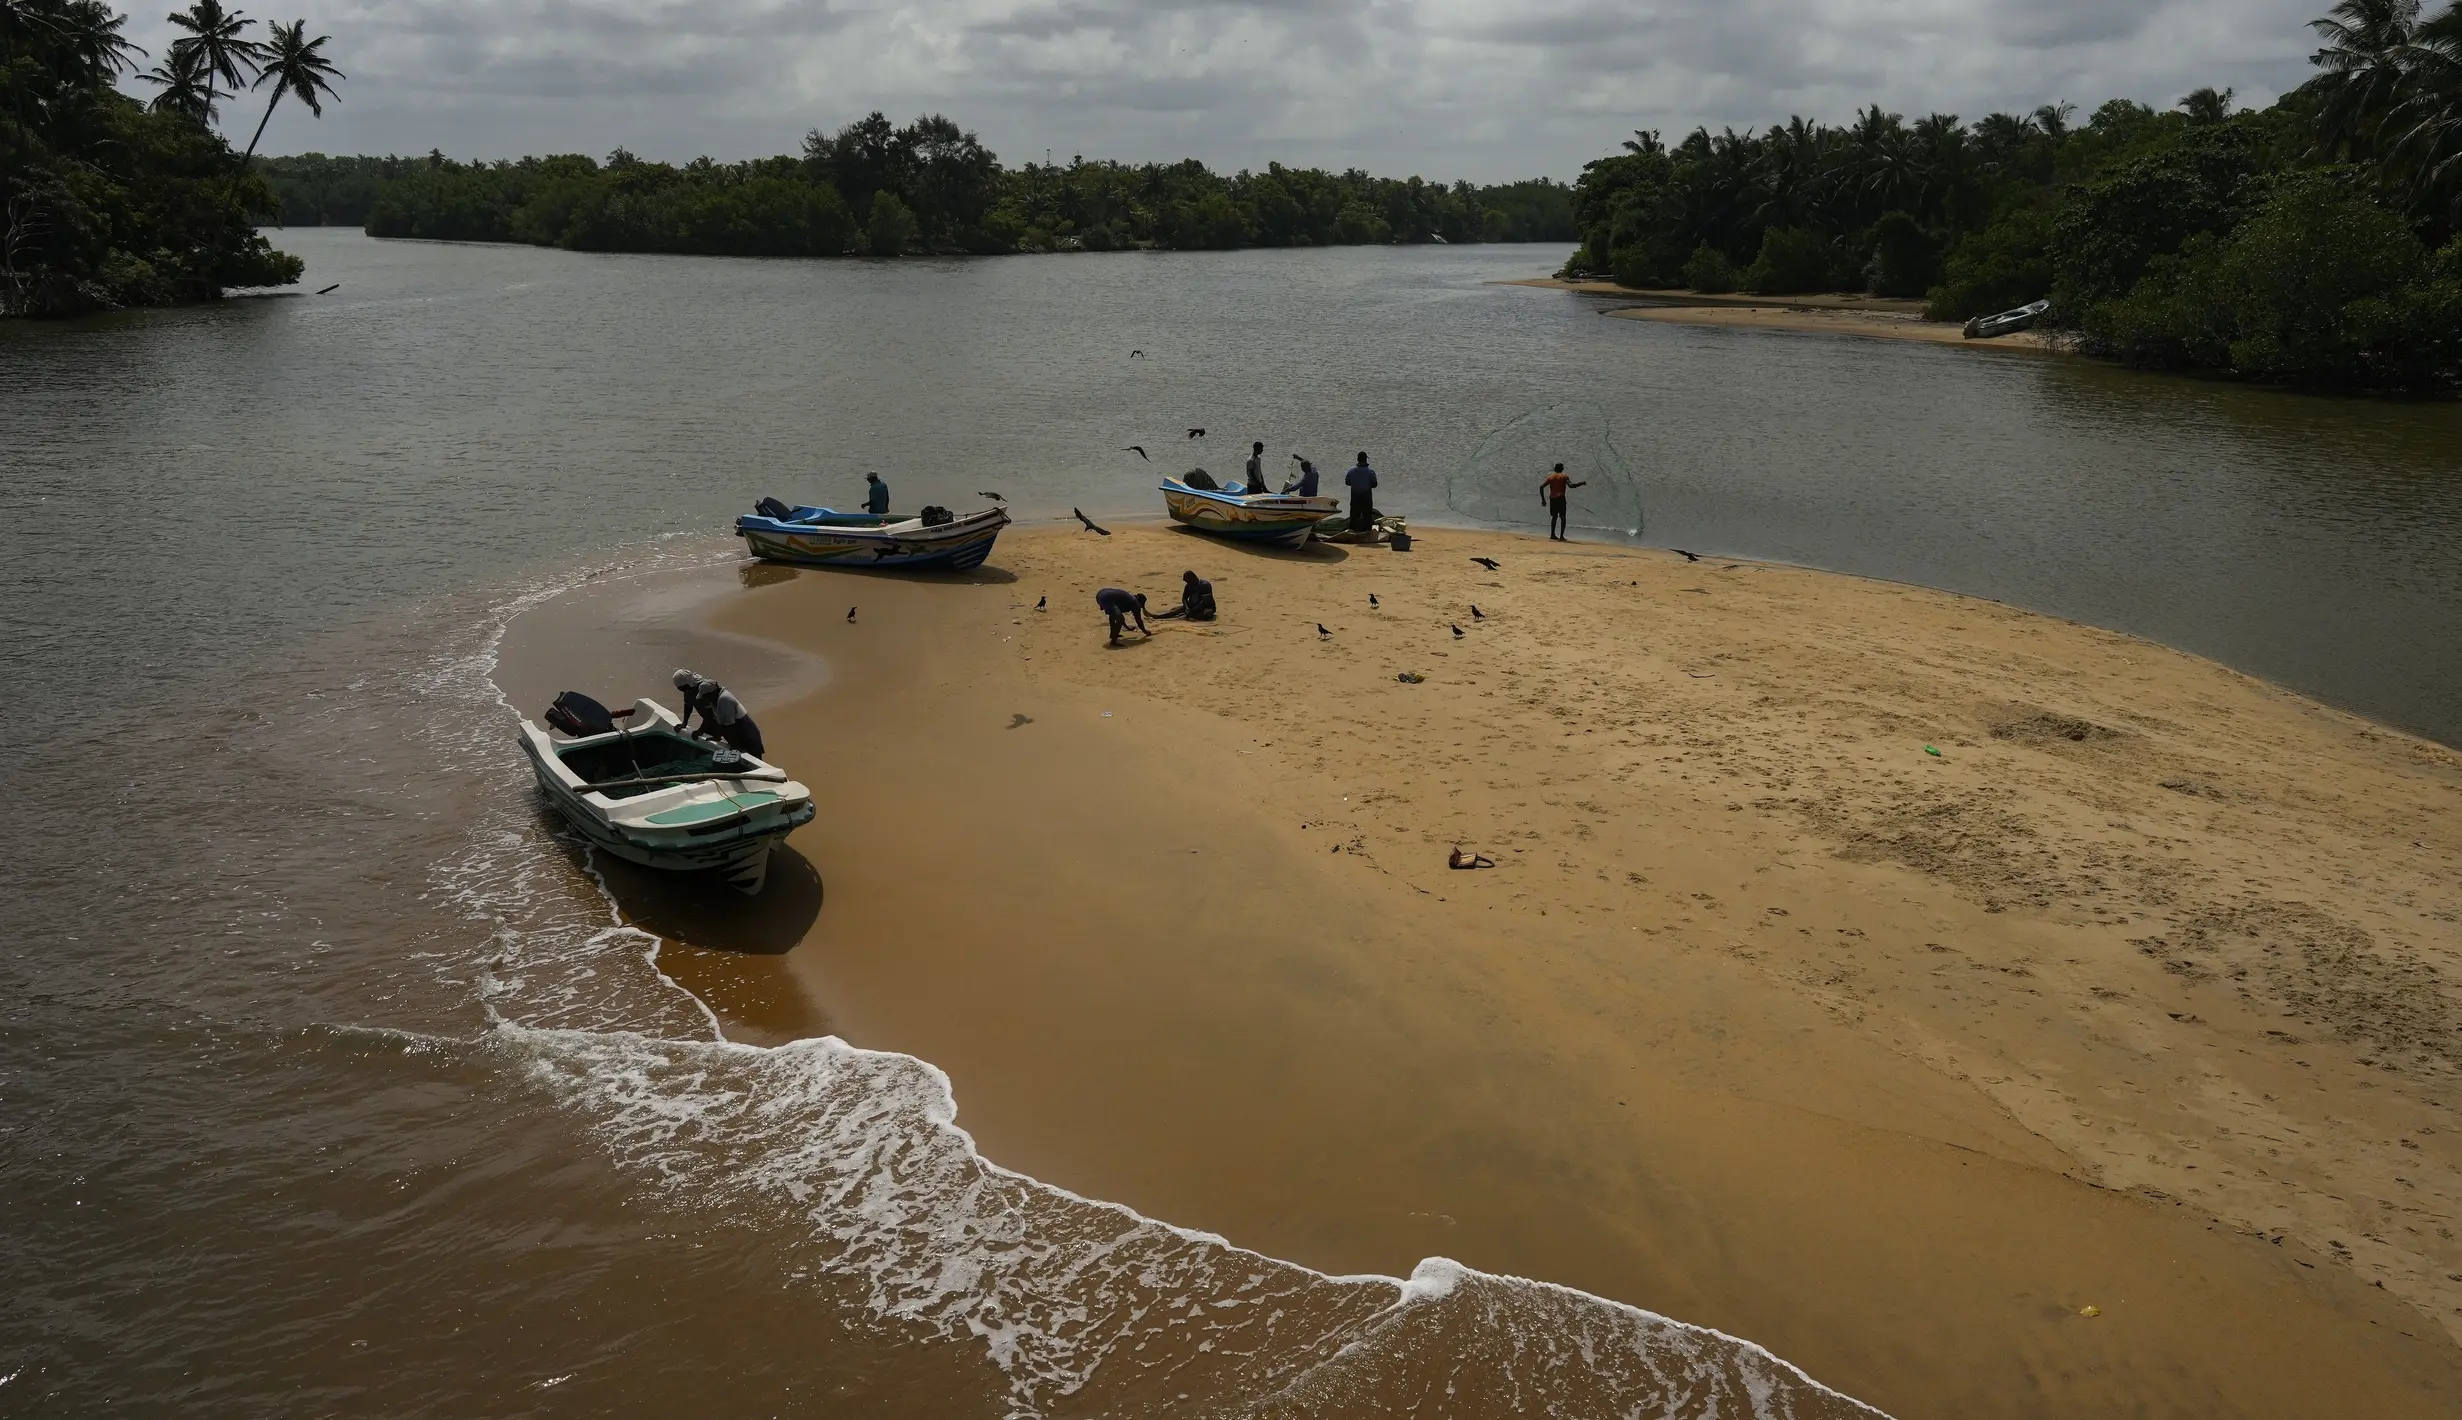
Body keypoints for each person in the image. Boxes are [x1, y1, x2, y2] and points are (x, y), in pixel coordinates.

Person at [673, 669, 766, 757]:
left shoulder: (723, 700)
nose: (703, 699)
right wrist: (717, 737)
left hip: (746, 733)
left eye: (704, 697)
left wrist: (734, 747)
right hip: (733, 729)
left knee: (754, 758)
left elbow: (728, 726)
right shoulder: (714, 700)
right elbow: (721, 723)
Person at [1540, 463, 1588, 541]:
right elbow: (1571, 485)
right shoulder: (1564, 476)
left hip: (1553, 499)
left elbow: (1541, 487)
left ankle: (1552, 534)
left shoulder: (1550, 477)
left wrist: (1543, 499)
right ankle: (1561, 536)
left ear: (1555, 469)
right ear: (1562, 469)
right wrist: (1580, 483)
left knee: (1554, 517)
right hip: (1560, 499)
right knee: (1562, 517)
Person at [1344, 451, 1378, 532]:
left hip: (1355, 496)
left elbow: (1347, 482)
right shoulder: (1370, 472)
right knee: (1367, 516)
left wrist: (1356, 483)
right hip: (1366, 496)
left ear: (1357, 459)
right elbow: (1375, 484)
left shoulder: (1351, 471)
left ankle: (1353, 532)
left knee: (1354, 516)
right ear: (1366, 460)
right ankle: (1367, 532)